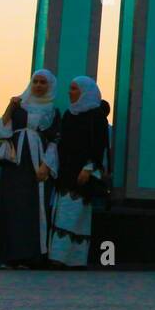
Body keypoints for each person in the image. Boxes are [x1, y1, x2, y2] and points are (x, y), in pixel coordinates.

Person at [0, 69, 60, 268]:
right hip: (15, 164)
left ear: (50, 86)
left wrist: (46, 166)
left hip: (37, 164)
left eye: (42, 82)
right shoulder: (19, 105)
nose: (38, 85)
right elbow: (3, 131)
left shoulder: (53, 110)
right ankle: (7, 256)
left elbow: (54, 140)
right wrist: (10, 107)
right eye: (35, 81)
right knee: (12, 207)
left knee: (33, 209)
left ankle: (30, 257)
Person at [49, 76, 110, 269]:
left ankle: (69, 259)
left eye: (74, 89)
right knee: (65, 213)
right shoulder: (69, 114)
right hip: (66, 172)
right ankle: (62, 257)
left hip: (83, 173)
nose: (70, 92)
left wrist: (89, 168)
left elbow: (99, 145)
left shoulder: (96, 116)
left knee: (76, 215)